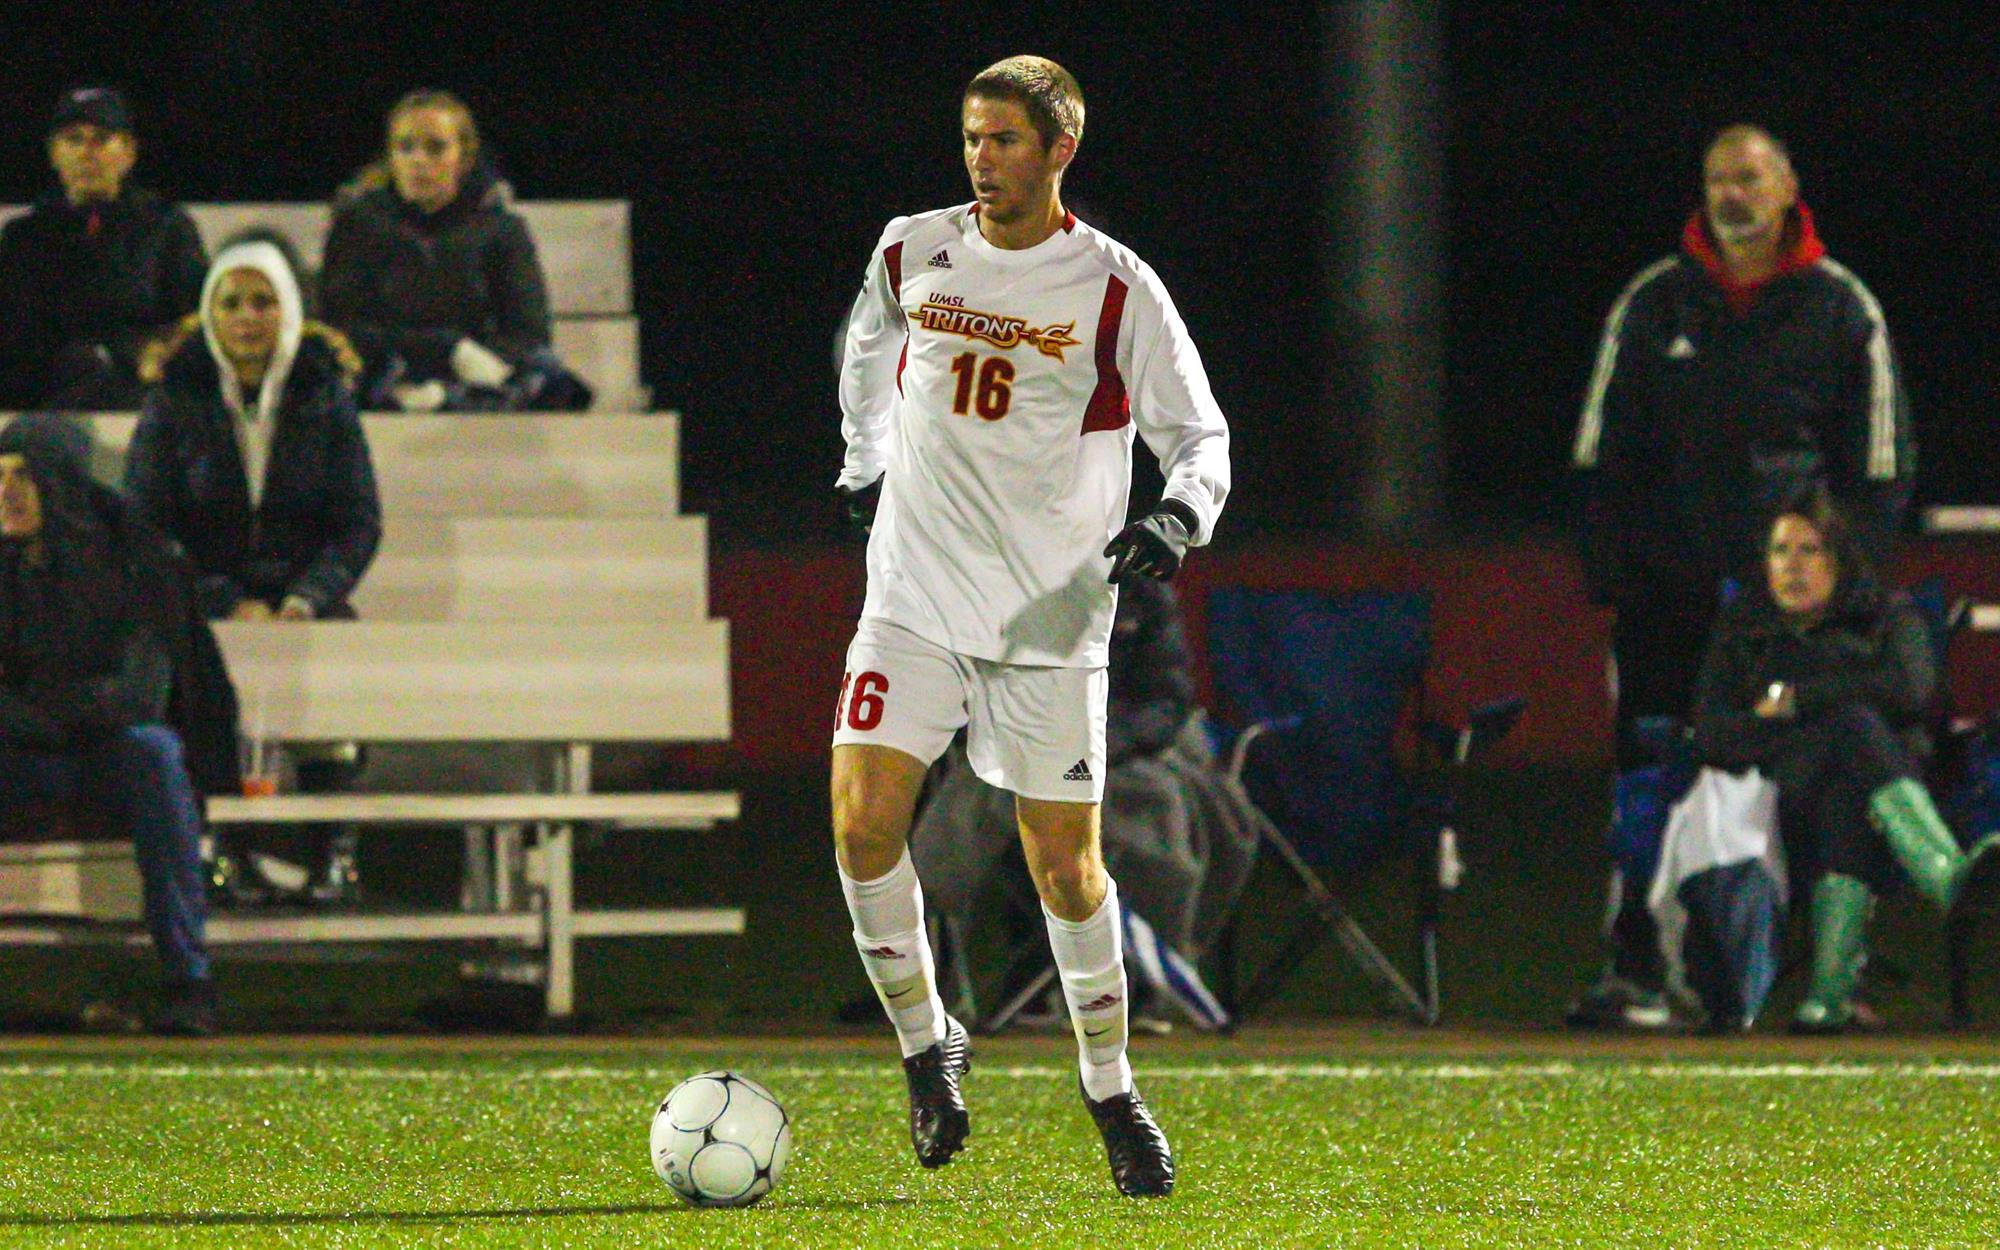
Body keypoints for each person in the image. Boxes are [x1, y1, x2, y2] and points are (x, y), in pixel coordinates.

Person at [831, 56, 1229, 1197]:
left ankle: (1109, 1087)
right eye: (969, 137)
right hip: (912, 594)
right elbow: (867, 343)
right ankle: (926, 1045)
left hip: (1050, 614)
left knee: (1065, 868)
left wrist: (1175, 514)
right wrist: (863, 462)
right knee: (862, 826)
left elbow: (1199, 434)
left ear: (1060, 150)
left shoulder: (1112, 289)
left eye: (1003, 139)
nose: (980, 159)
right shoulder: (912, 248)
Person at [1565, 124, 1916, 1030]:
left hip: (1789, 612)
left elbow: (1878, 469)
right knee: (1648, 774)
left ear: (1789, 186)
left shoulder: (1842, 308)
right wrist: (1618, 576)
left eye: (1751, 178)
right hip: (1667, 601)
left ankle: (1825, 978)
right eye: (1719, 178)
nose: (1734, 195)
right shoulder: (1653, 304)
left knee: (1817, 775)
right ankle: (1638, 967)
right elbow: (1601, 456)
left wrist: (1845, 589)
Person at [125, 236, 381, 904]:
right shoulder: (173, 398)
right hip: (203, 601)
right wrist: (220, 599)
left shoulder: (325, 395)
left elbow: (358, 521)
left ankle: (334, 856)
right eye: (231, 302)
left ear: (288, 309)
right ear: (210, 312)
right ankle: (220, 853)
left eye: (263, 301)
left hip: (302, 600)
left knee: (339, 676)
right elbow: (145, 525)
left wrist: (307, 596)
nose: (247, 317)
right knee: (195, 686)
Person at [1689, 489, 2000, 1033]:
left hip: (1863, 794)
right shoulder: (1743, 627)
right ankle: (1945, 876)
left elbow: (1913, 691)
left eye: (1809, 551)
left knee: (1846, 784)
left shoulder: (1886, 616)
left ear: (1839, 559)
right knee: (1853, 727)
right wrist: (1790, 718)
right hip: (1773, 794)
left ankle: (1828, 998)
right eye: (1780, 551)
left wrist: (1794, 700)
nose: (1793, 567)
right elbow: (1713, 731)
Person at [0, 413, 224, 1034]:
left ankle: (188, 981)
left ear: (63, 482)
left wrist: (39, 710)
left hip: (104, 758)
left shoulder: (137, 559)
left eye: (25, 475)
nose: (6, 491)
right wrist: (54, 713)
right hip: (26, 755)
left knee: (154, 752)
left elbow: (138, 695)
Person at [319, 89, 590, 412]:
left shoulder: (500, 229)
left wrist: (473, 362)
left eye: (435, 148)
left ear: (463, 157)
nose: (418, 160)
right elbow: (341, 328)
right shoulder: (359, 224)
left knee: (548, 374)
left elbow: (528, 332)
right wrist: (447, 349)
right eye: (405, 148)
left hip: (477, 374)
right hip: (387, 369)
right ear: (391, 156)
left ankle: (451, 400)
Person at [0, 87, 208, 410]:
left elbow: (199, 315)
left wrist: (155, 351)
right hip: (45, 407)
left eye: (101, 139)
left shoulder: (167, 229)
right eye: (73, 139)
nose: (87, 152)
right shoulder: (22, 239)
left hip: (142, 401)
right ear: (54, 153)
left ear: (128, 152)